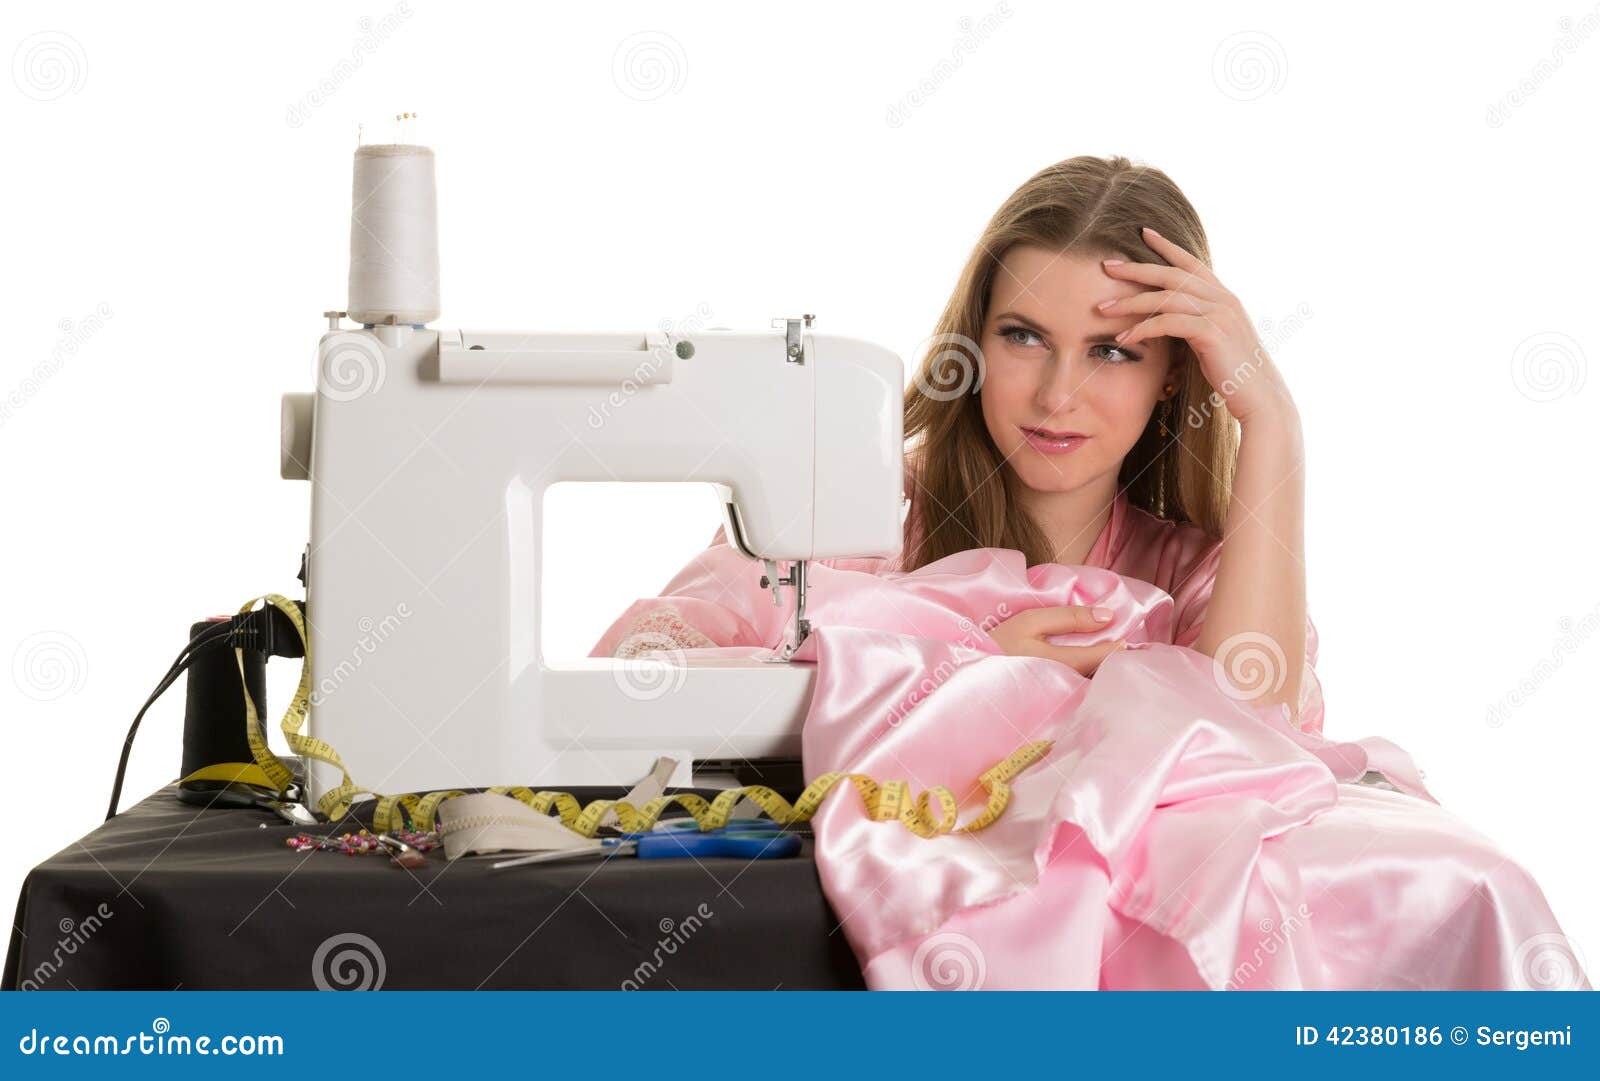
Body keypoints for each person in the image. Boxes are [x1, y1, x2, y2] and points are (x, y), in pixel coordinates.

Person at [597, 155, 1323, 733]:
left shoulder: (1202, 578)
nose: (1057, 395)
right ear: (973, 341)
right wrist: (957, 674)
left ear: (1172, 376)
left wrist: (1273, 421)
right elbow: (641, 677)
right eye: (1024, 337)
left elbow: (1255, 743)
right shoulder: (855, 514)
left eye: (1111, 351)